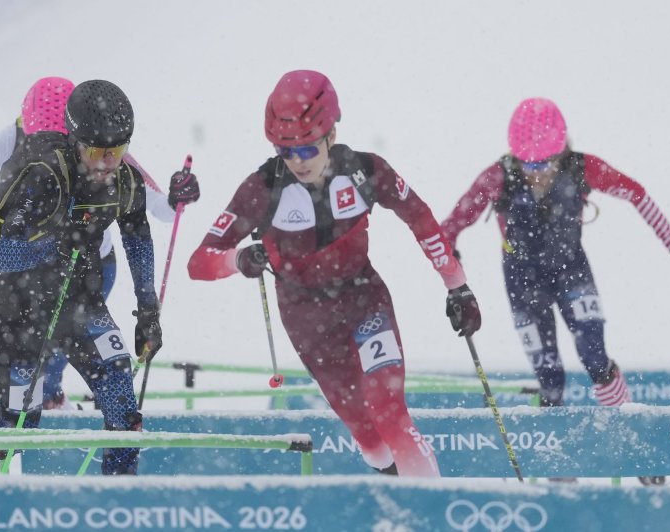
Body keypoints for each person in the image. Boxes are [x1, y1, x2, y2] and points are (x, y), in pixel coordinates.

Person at [187, 70, 481, 478]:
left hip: (364, 300)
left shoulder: (365, 171)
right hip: (307, 321)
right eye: (284, 150)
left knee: (390, 412)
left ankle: (431, 513)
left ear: (332, 133)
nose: (296, 162)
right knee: (369, 438)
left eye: (307, 150)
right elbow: (199, 262)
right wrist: (237, 261)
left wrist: (458, 286)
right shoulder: (262, 188)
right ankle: (397, 496)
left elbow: (422, 220)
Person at [0, 76, 199, 410]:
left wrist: (177, 199)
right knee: (37, 365)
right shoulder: (12, 138)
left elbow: (155, 205)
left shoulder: (97, 144)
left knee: (59, 358)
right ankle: (49, 413)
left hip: (95, 267)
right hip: (36, 273)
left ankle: (60, 411)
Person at [440, 98, 670, 484]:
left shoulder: (583, 167)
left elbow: (637, 194)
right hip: (523, 282)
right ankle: (560, 470)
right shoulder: (497, 177)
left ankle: (632, 447)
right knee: (550, 376)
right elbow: (452, 222)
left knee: (594, 355)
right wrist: (450, 257)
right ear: (515, 156)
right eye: (529, 165)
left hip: (571, 272)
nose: (537, 174)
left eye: (546, 164)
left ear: (562, 151)